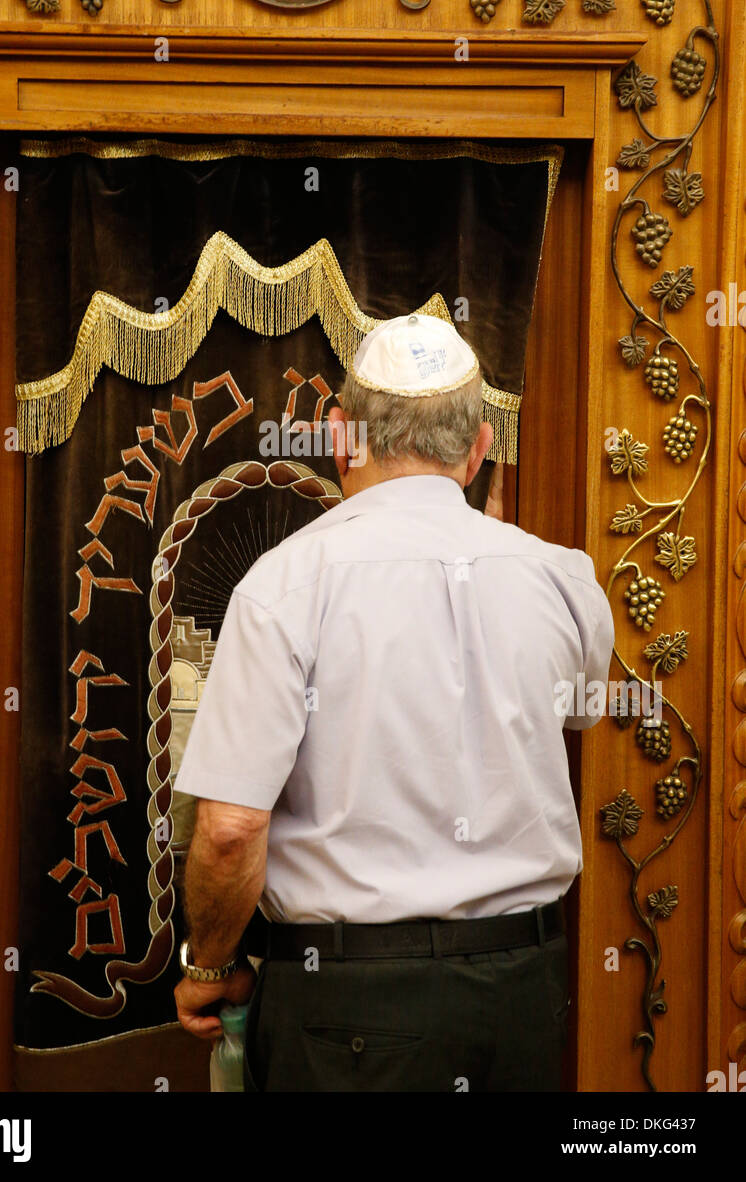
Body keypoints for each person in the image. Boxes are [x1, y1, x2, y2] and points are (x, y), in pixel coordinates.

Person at [173, 313, 615, 1092]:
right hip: (522, 999)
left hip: (347, 1012)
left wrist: (208, 964)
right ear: (479, 448)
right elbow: (577, 713)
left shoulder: (284, 584)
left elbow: (234, 827)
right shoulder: (562, 578)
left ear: (343, 437)